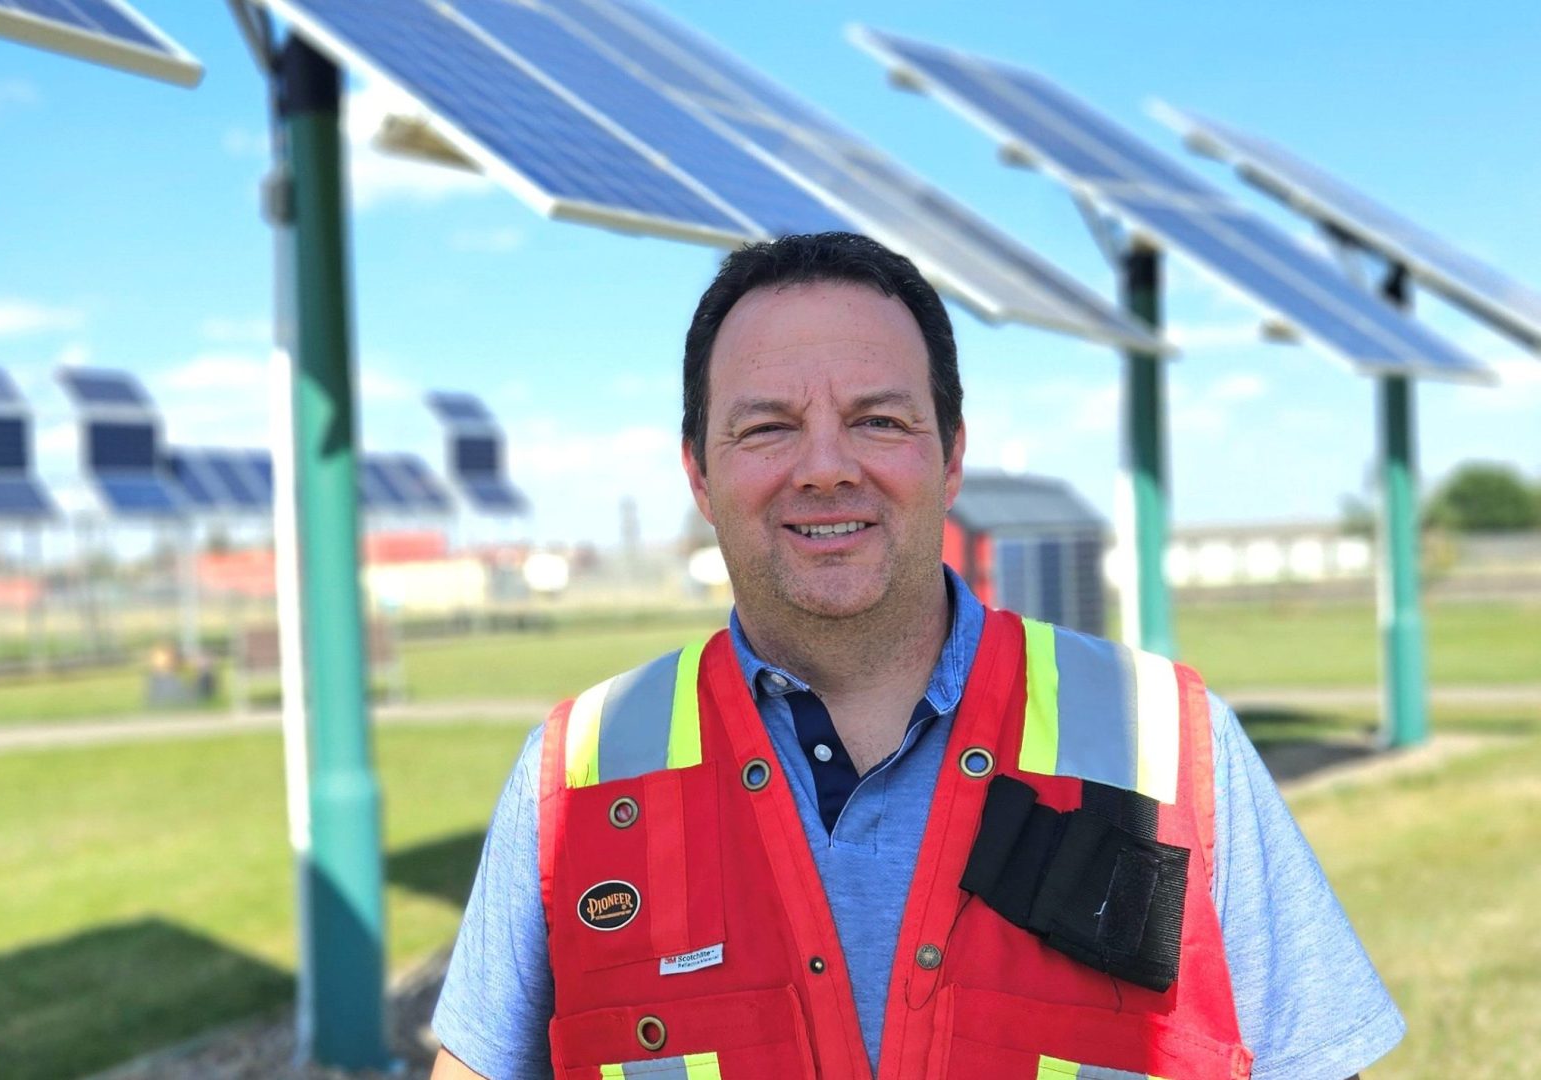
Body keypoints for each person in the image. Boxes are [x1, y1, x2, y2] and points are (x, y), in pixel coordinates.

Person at [429, 232, 1402, 1079]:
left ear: (951, 456)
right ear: (699, 473)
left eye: (878, 421)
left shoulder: (1176, 747)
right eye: (767, 427)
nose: (825, 466)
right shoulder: (576, 777)